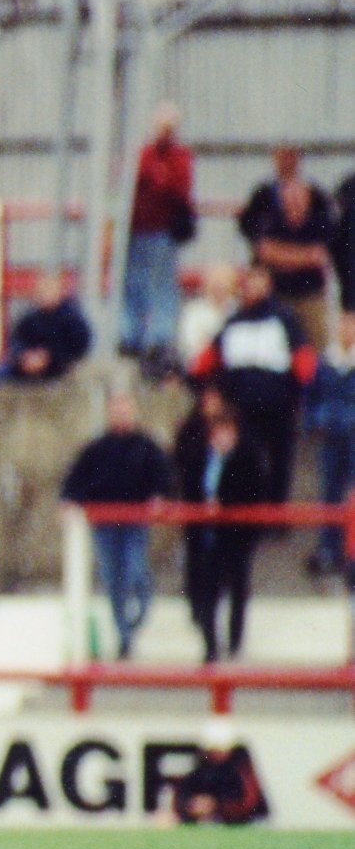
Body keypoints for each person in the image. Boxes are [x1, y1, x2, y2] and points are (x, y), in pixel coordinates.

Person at [61, 389, 171, 659]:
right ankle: (124, 635)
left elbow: (164, 481)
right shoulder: (96, 449)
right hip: (105, 525)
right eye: (116, 408)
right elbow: (74, 481)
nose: (121, 414)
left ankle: (136, 618)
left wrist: (158, 498)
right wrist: (70, 501)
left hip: (135, 523)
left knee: (135, 571)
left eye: (125, 408)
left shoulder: (147, 446)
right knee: (113, 579)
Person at [190, 264, 314, 502]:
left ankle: (277, 516)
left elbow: (304, 360)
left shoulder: (284, 318)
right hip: (241, 407)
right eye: (249, 281)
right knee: (244, 459)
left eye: (259, 280)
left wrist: (301, 394)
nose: (253, 286)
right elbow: (207, 361)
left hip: (277, 405)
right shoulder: (233, 322)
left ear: (268, 284)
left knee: (280, 461)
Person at [175, 384, 275, 665]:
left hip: (236, 537)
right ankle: (210, 646)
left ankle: (235, 641)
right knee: (207, 592)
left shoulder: (247, 458)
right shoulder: (199, 457)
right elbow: (189, 486)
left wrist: (225, 503)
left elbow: (254, 491)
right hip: (205, 537)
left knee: (237, 590)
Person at [0, 269, 92, 469]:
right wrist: (23, 357)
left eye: (49, 289)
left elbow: (79, 347)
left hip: (56, 371)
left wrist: (49, 358)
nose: (43, 293)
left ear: (59, 291)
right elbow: (16, 343)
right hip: (23, 368)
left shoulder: (72, 318)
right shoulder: (30, 317)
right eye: (40, 289)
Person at [237, 147, 334, 352]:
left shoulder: (318, 200)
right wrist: (301, 256)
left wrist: (281, 255)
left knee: (316, 348)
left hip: (310, 293)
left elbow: (319, 255)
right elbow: (263, 249)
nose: (295, 206)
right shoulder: (263, 198)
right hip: (275, 293)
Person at [122, 105, 198, 363]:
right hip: (137, 230)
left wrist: (153, 182)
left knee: (162, 286)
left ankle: (160, 339)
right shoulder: (143, 154)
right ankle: (130, 336)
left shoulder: (180, 156)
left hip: (163, 232)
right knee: (133, 284)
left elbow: (176, 188)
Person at [312, 311, 355, 576]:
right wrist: (318, 420)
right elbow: (311, 398)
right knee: (330, 492)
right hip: (331, 438)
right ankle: (328, 549)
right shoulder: (325, 362)